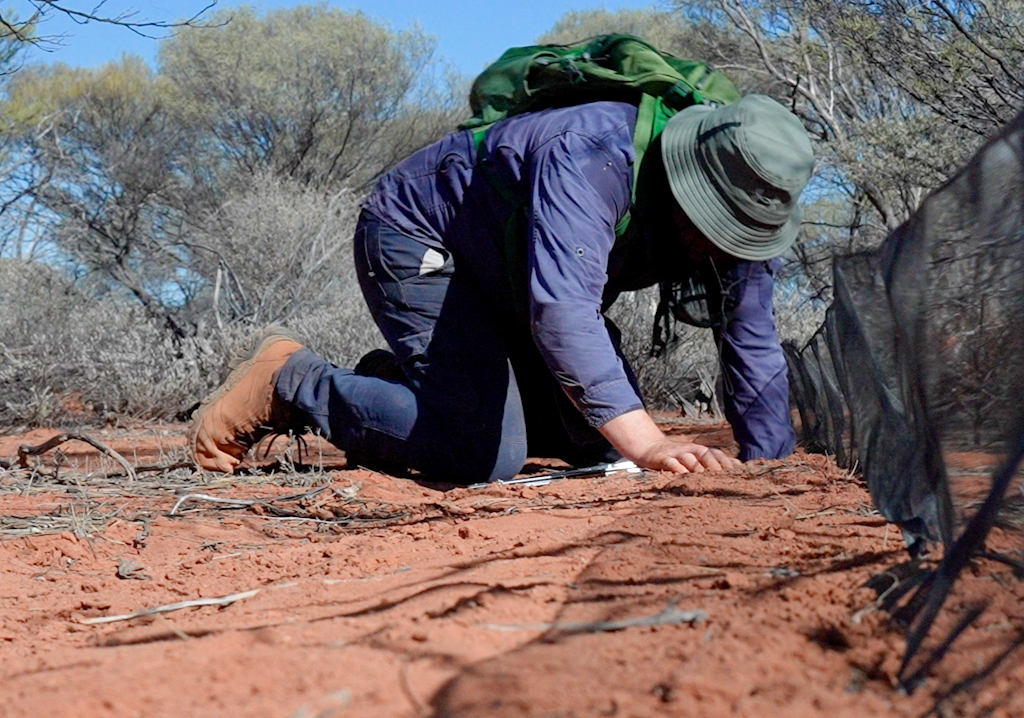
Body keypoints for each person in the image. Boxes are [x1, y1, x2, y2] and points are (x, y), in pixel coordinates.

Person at [189, 93, 815, 481]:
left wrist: (768, 467)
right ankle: (291, 381)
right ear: (687, 179)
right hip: (421, 237)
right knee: (481, 454)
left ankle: (401, 385)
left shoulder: (745, 221)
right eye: (713, 223)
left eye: (737, 232)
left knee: (586, 438)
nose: (721, 244)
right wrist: (649, 442)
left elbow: (753, 338)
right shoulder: (594, 153)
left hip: (514, 277)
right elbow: (565, 312)